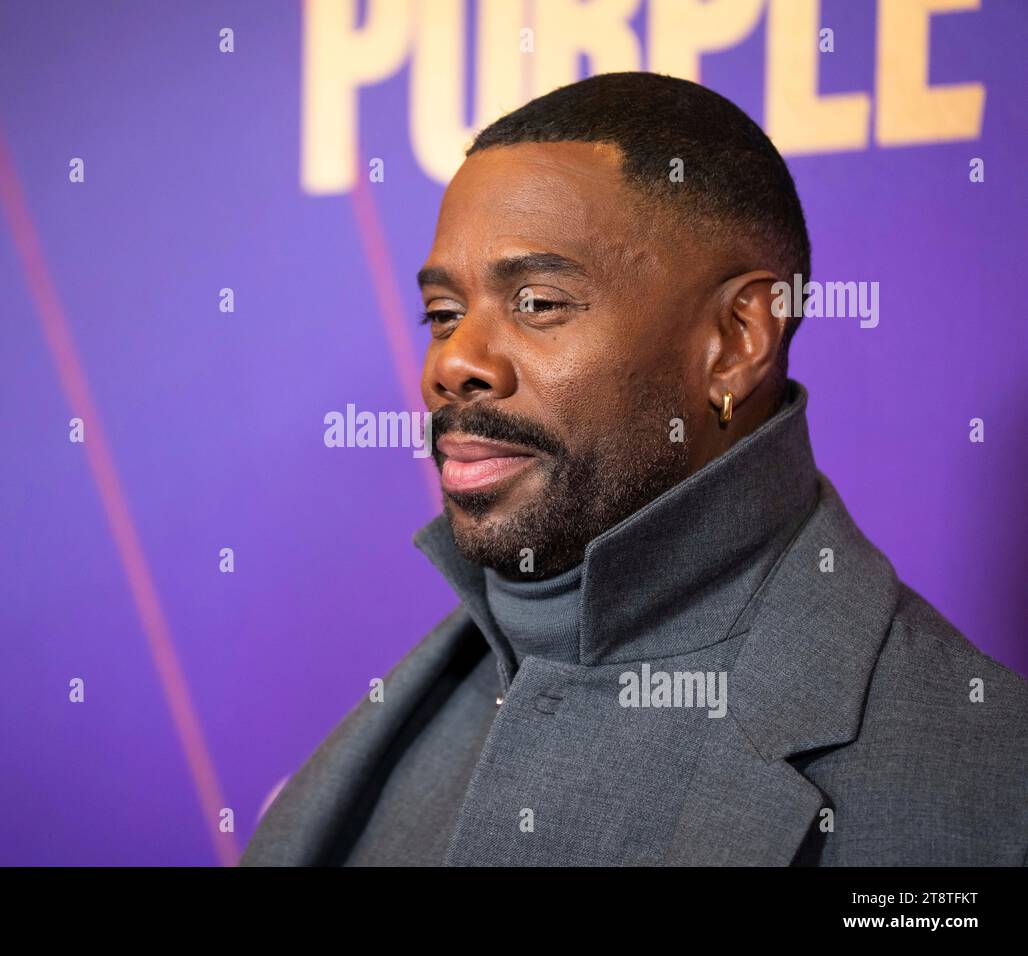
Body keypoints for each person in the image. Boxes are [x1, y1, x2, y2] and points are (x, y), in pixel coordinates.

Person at [241, 72, 1028, 866]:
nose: (454, 363)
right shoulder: (385, 744)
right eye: (443, 315)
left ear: (734, 341)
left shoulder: (987, 790)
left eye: (539, 303)